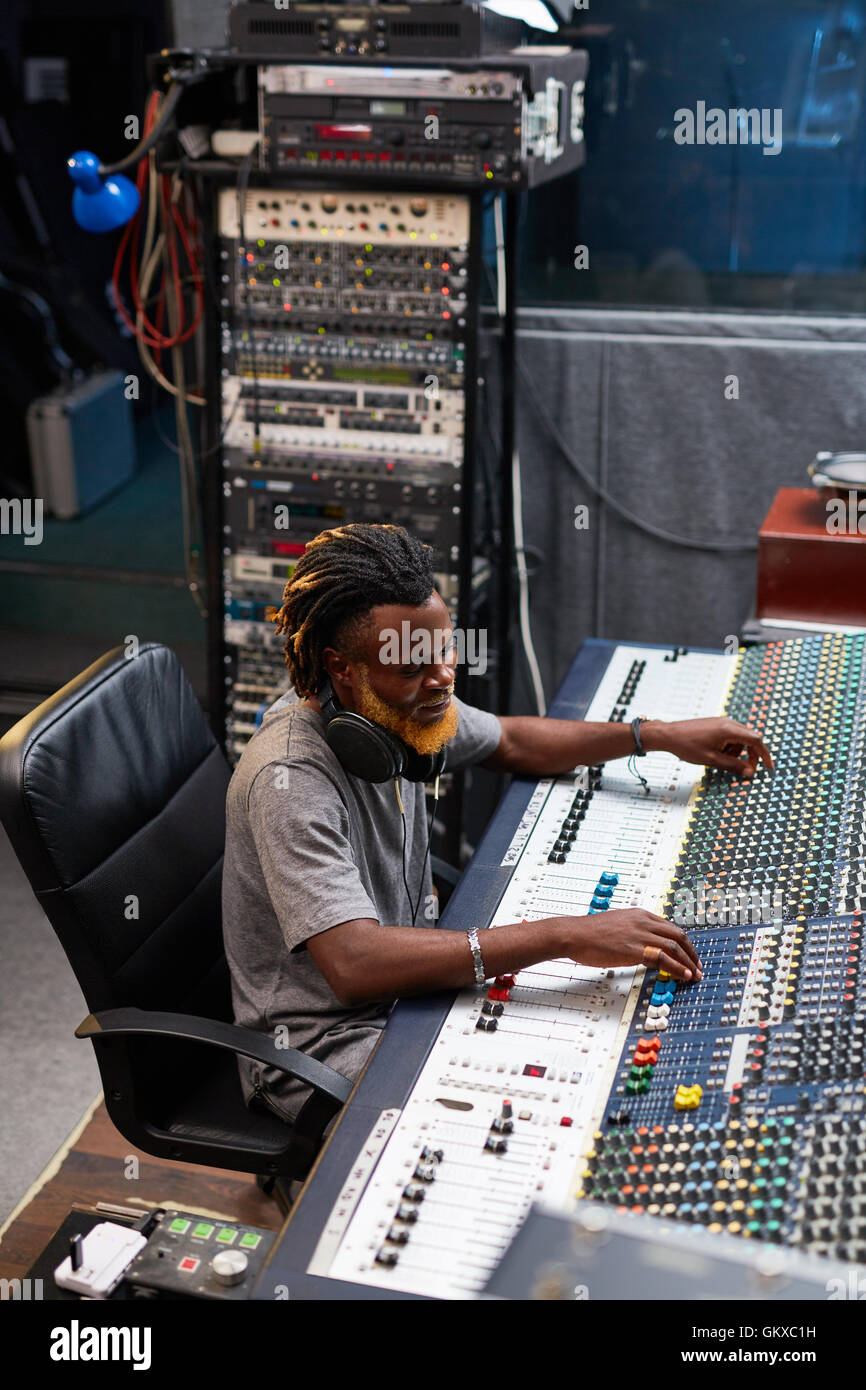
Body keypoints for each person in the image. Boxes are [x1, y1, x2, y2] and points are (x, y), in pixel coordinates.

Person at [221, 522, 773, 1125]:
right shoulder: (291, 778)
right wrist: (564, 935)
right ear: (341, 669)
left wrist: (653, 736)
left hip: (414, 994)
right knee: (551, 1103)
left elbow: (510, 740)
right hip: (325, 1048)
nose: (441, 680)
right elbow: (354, 966)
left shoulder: (406, 701)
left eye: (445, 652)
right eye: (411, 667)